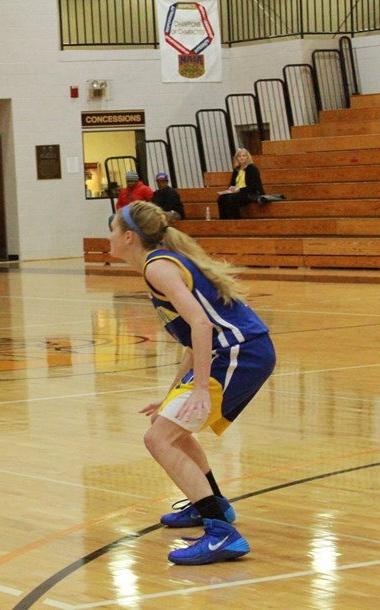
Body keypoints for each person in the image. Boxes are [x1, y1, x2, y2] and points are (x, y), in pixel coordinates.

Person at [106, 201, 276, 565]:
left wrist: (199, 388)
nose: (109, 237)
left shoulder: (159, 267)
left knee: (159, 438)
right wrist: (172, 395)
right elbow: (190, 340)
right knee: (167, 427)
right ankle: (213, 506)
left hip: (238, 353)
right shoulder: (162, 263)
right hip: (235, 351)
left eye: (112, 230)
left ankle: (221, 534)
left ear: (128, 237)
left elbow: (202, 325)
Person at [217, 148, 264, 220]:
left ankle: (236, 220)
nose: (241, 158)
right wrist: (230, 189)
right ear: (237, 158)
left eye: (243, 156)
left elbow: (254, 186)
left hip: (249, 192)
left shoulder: (252, 168)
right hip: (237, 192)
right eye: (239, 156)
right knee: (221, 198)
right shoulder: (236, 170)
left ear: (247, 157)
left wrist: (239, 190)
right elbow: (232, 184)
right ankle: (224, 220)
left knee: (231, 199)